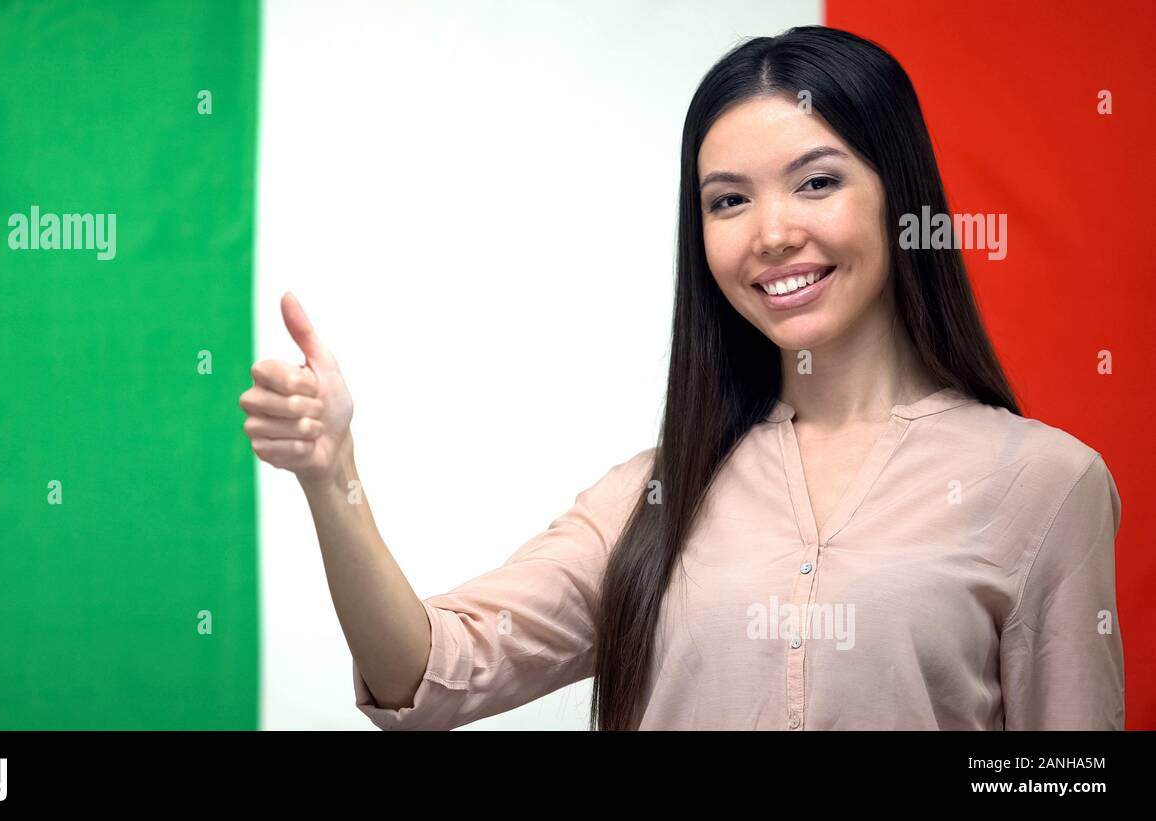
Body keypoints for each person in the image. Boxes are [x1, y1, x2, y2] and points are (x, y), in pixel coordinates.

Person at [239, 25, 1124, 731]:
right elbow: (424, 676)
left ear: (901, 200)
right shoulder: (648, 499)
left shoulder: (1044, 484)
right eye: (728, 200)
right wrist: (333, 477)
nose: (770, 233)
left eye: (816, 182)